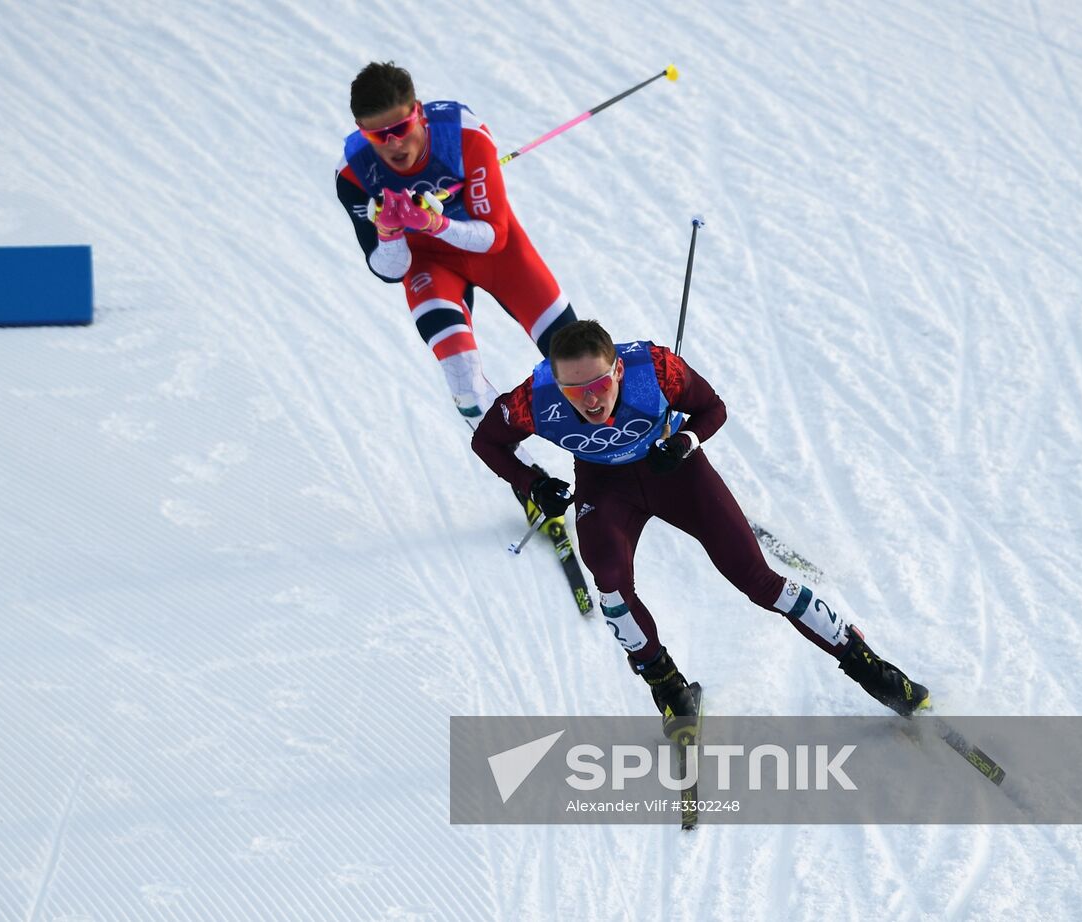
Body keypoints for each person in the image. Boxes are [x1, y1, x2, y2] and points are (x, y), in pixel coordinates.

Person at [470, 319, 930, 733]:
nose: (590, 400)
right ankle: (670, 690)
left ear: (618, 372)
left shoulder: (655, 368)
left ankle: (871, 667)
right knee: (609, 585)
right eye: (574, 391)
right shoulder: (535, 398)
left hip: (675, 472)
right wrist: (533, 484)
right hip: (606, 488)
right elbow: (486, 440)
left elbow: (713, 409)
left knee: (758, 581)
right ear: (557, 382)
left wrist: (685, 441)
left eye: (598, 384)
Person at [335, 61, 577, 438]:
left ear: (419, 113)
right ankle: (524, 476)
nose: (394, 143)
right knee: (461, 373)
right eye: (379, 136)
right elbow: (388, 270)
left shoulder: (465, 136)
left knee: (577, 355)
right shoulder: (353, 174)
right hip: (428, 264)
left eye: (400, 128)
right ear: (362, 132)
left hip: (500, 254)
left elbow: (494, 237)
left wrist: (437, 224)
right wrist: (388, 232)